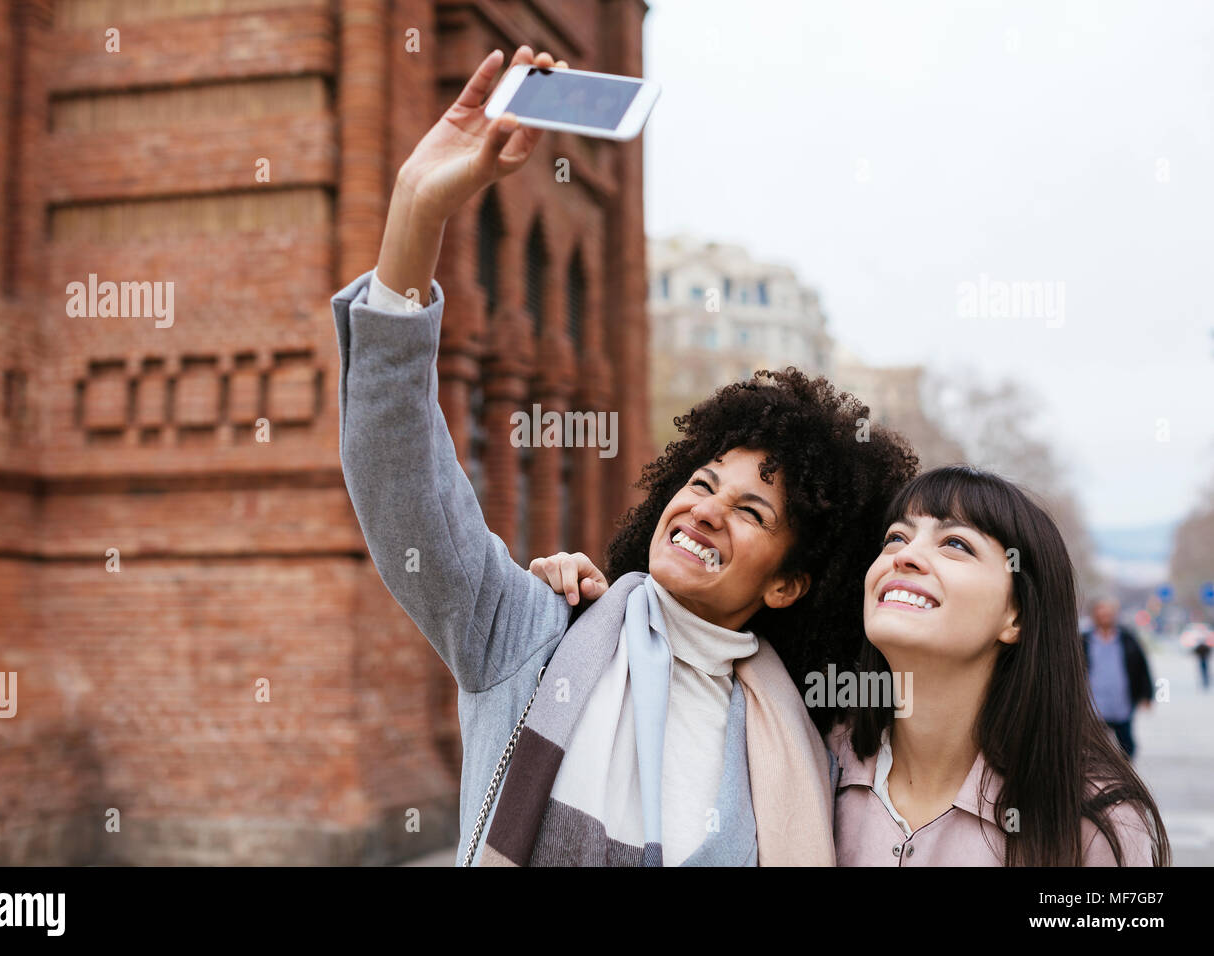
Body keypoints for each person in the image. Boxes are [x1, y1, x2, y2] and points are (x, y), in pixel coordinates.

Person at [333, 45, 918, 866]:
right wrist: (415, 211)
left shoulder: (805, 747)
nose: (707, 507)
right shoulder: (532, 635)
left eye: (752, 511)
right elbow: (396, 467)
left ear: (789, 582)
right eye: (704, 481)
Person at [533, 466, 1171, 865]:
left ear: (1017, 617)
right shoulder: (802, 760)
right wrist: (594, 610)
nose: (907, 556)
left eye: (954, 544)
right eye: (897, 537)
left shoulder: (1096, 823)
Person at [1082, 597, 1154, 760]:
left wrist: (1147, 695)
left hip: (1122, 704)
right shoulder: (1083, 640)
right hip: (1093, 706)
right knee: (1093, 751)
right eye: (1101, 613)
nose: (1105, 616)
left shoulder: (1128, 639)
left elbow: (1142, 667)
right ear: (1094, 616)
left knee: (1128, 747)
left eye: (1109, 613)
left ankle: (1124, 778)